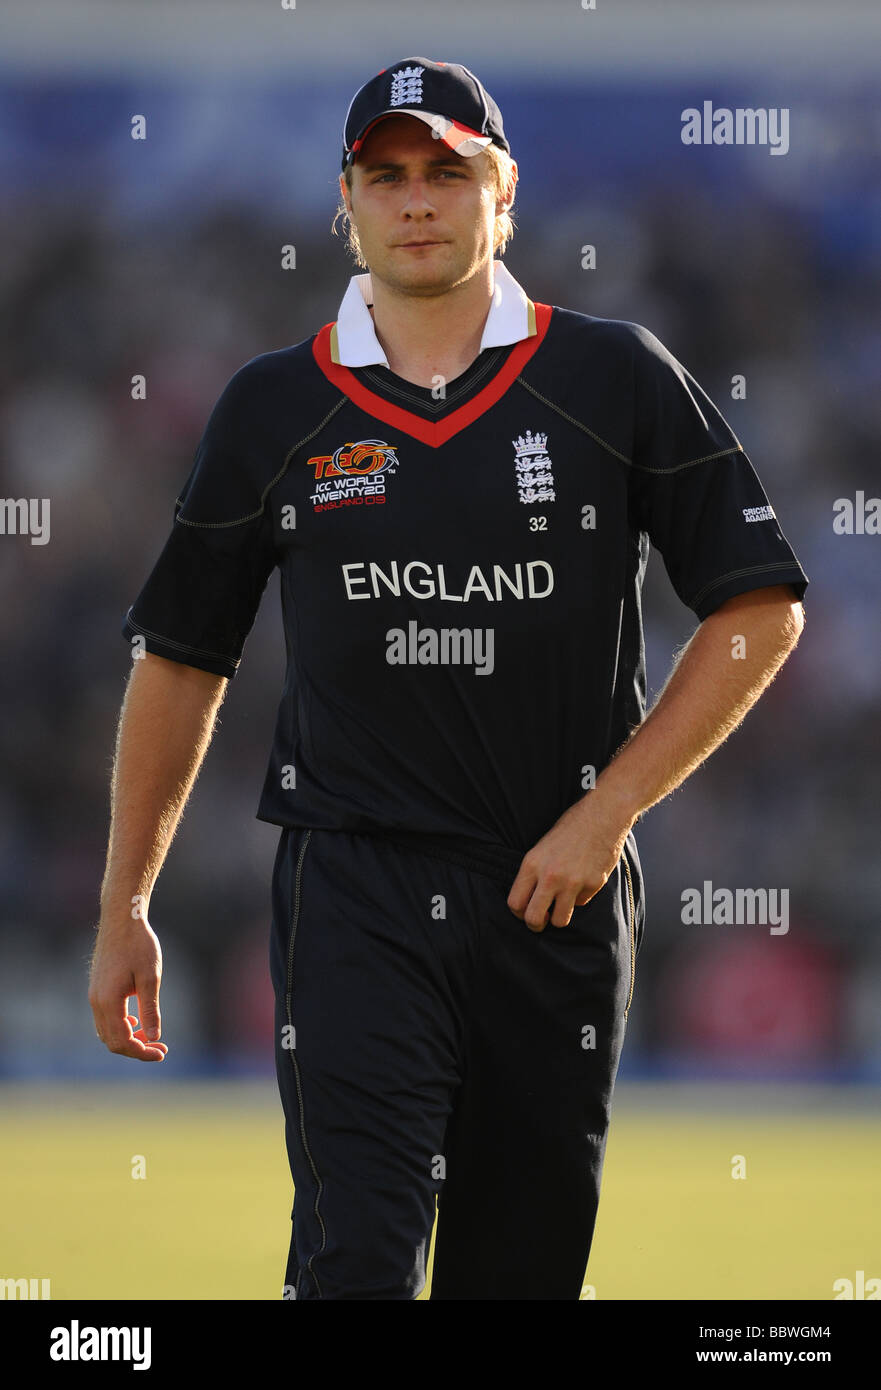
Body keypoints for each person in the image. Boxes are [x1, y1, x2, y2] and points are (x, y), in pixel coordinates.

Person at [89, 56, 808, 1300]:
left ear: (502, 191)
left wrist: (607, 813)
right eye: (387, 176)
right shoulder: (273, 408)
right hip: (352, 888)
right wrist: (123, 904)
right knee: (353, 1263)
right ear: (347, 203)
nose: (416, 200)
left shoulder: (613, 377)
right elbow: (180, 656)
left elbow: (756, 609)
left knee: (517, 1279)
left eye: (446, 171)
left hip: (557, 899)